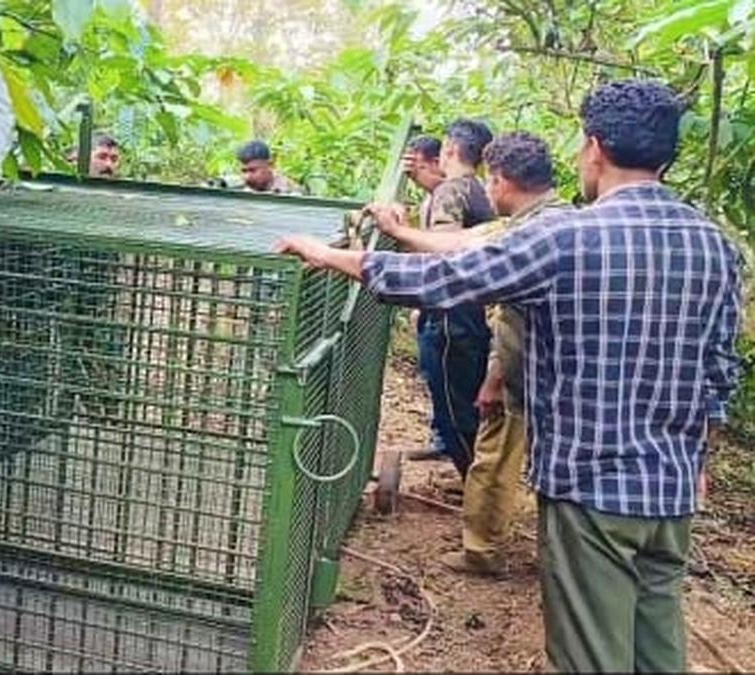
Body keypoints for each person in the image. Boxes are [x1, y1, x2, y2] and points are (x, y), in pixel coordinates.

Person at [275, 79, 743, 673]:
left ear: (595, 147)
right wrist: (698, 458)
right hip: (670, 490)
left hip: (591, 488)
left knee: (590, 657)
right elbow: (718, 371)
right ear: (667, 155)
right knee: (657, 652)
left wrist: (331, 256)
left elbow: (447, 280)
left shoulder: (567, 236)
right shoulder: (715, 246)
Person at [370, 132, 568, 575]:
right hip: (550, 377)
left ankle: (482, 551)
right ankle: (556, 557)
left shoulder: (530, 231)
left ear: (502, 180)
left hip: (528, 375)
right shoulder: (553, 220)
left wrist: (387, 238)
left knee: (492, 460)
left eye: (491, 181)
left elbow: (457, 255)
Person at [397, 120, 497, 478]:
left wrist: (396, 230)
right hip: (469, 310)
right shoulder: (476, 189)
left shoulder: (452, 191)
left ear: (451, 150)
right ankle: (475, 480)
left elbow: (444, 253)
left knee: (454, 407)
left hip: (452, 313)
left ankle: (476, 485)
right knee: (462, 399)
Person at [236, 140, 301, 194]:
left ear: (270, 165)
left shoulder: (291, 192)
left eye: (253, 171)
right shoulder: (239, 187)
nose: (247, 177)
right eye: (244, 171)